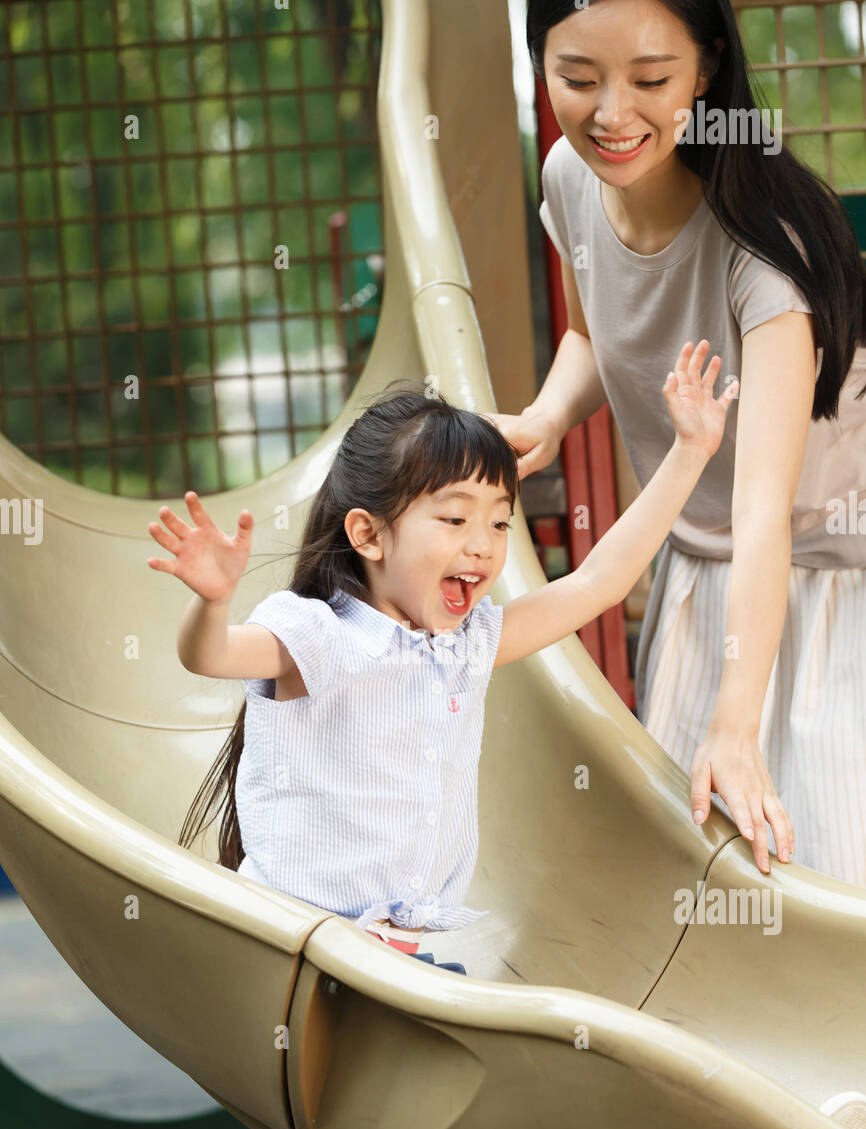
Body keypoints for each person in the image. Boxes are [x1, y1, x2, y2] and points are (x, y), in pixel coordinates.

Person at [147, 344, 738, 974]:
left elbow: (597, 584)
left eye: (499, 524)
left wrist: (690, 452)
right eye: (455, 518)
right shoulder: (320, 635)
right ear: (368, 535)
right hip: (293, 946)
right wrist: (212, 602)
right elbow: (209, 656)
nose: (482, 546)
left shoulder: (468, 645)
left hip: (397, 955)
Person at [488, 0, 866, 887]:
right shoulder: (568, 178)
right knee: (690, 880)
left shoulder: (765, 257)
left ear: (706, 71)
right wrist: (545, 418)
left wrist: (739, 722)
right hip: (701, 564)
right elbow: (594, 334)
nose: (612, 114)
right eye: (577, 79)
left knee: (829, 873)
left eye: (651, 80)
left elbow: (763, 507)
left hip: (824, 576)